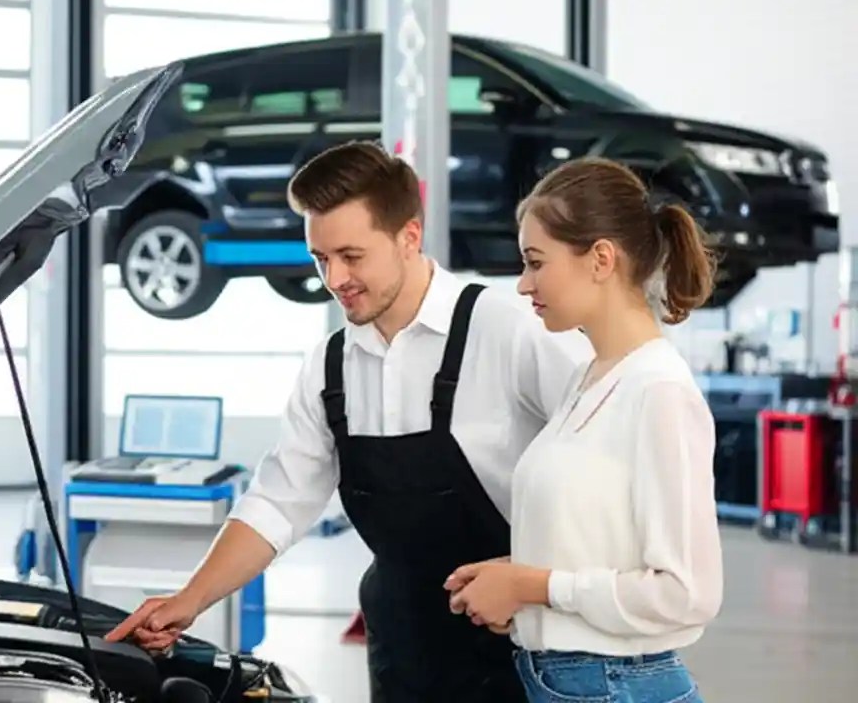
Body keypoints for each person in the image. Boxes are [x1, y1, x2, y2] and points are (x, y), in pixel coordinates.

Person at [104, 140, 582, 701]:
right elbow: (280, 502)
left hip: (523, 644)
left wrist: (535, 576)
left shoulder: (510, 332)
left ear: (409, 236)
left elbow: (602, 474)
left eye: (352, 256)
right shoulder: (329, 367)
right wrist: (188, 600)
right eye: (320, 259)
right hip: (403, 646)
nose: (335, 278)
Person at [443, 157, 724, 702]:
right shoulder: (588, 378)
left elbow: (688, 592)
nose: (523, 284)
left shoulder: (658, 392)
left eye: (535, 262)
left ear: (600, 259)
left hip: (616, 686)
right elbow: (603, 542)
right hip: (570, 681)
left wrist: (534, 586)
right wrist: (513, 578)